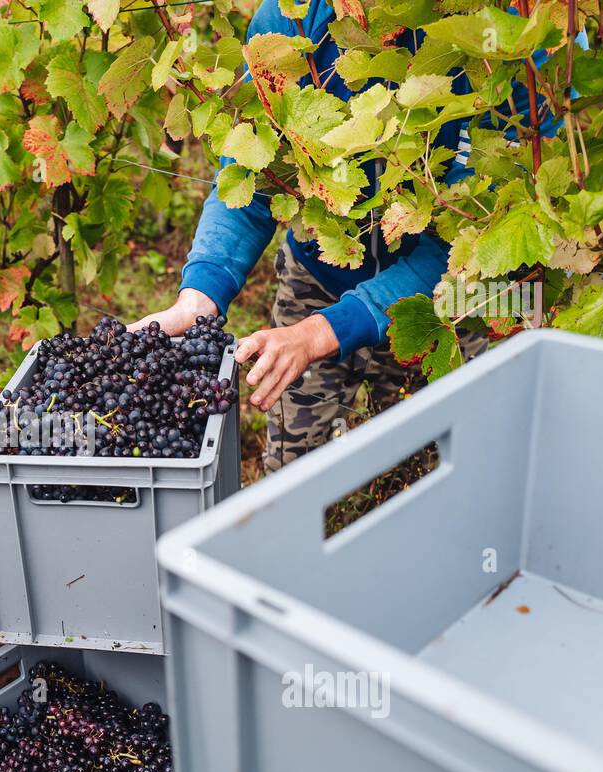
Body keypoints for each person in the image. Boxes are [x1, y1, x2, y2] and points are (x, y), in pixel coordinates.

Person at [132, 0, 487, 473]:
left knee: (431, 473)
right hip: (317, 275)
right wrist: (199, 296)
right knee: (292, 472)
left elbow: (460, 243)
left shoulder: (488, 48)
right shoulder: (286, 24)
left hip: (440, 307)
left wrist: (321, 333)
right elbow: (251, 181)